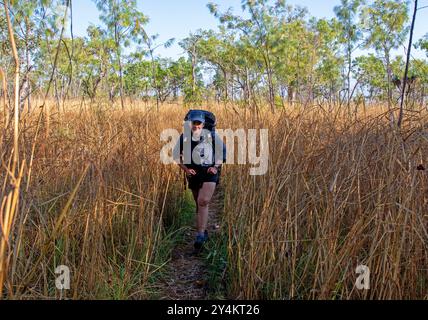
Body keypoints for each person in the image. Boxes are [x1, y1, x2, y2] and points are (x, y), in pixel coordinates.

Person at [173, 110, 226, 253]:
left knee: (203, 201)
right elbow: (176, 156)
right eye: (192, 123)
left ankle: (200, 235)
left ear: (203, 124)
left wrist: (215, 167)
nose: (195, 126)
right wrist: (185, 169)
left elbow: (222, 154)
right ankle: (204, 230)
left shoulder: (213, 136)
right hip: (193, 173)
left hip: (209, 173)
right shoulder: (184, 137)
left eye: (198, 123)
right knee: (198, 203)